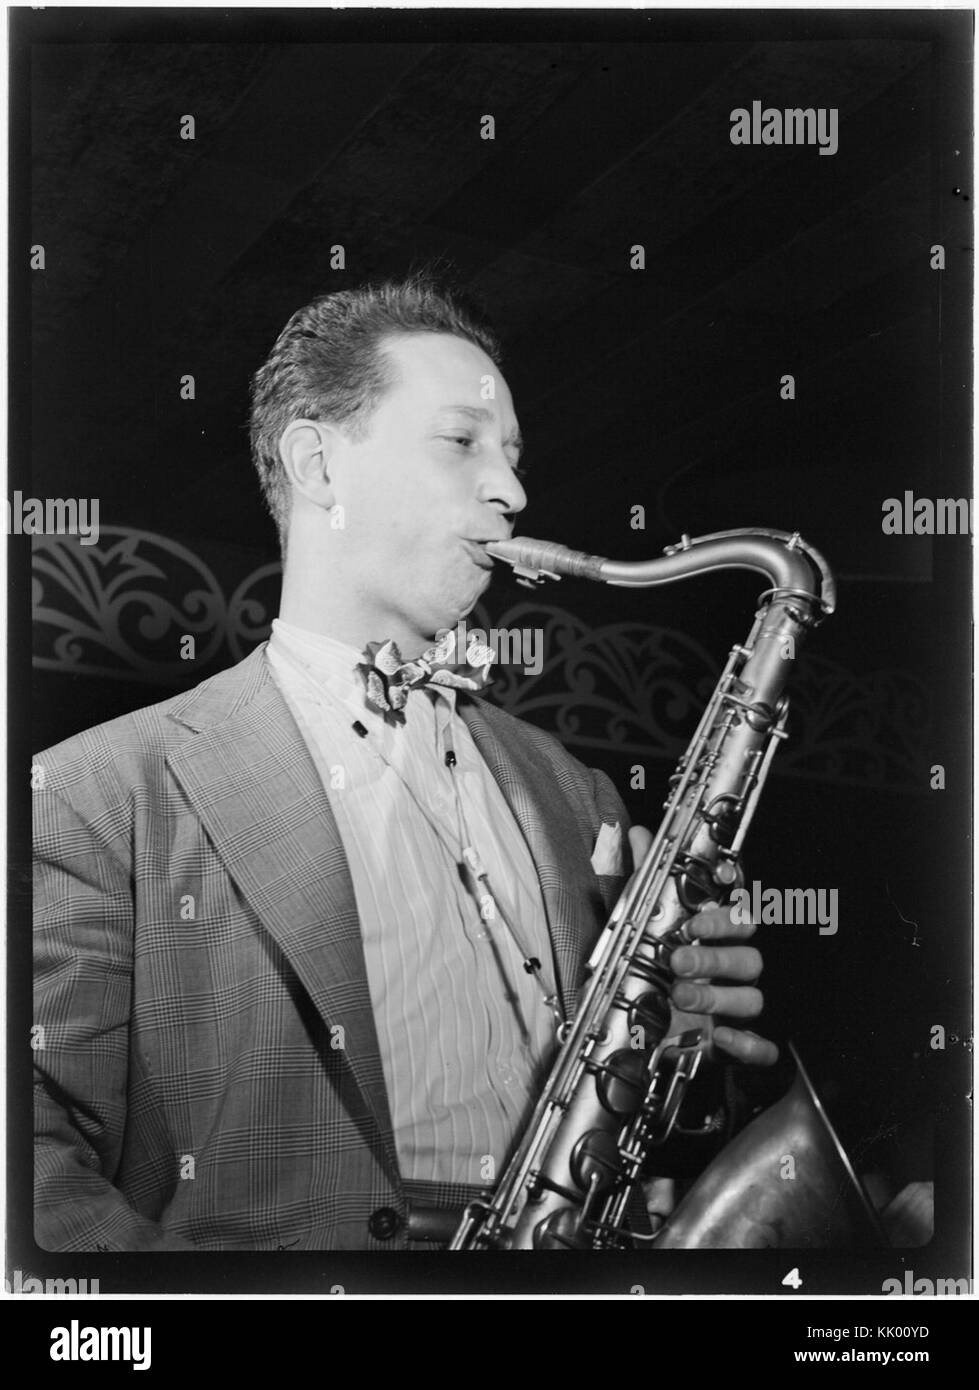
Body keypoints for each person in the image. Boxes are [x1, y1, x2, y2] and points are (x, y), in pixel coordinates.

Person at [33, 276, 775, 1252]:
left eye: (512, 455)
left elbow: (614, 1120)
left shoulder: (573, 789)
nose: (512, 491)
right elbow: (30, 1181)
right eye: (462, 441)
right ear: (317, 464)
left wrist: (669, 1035)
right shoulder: (92, 796)